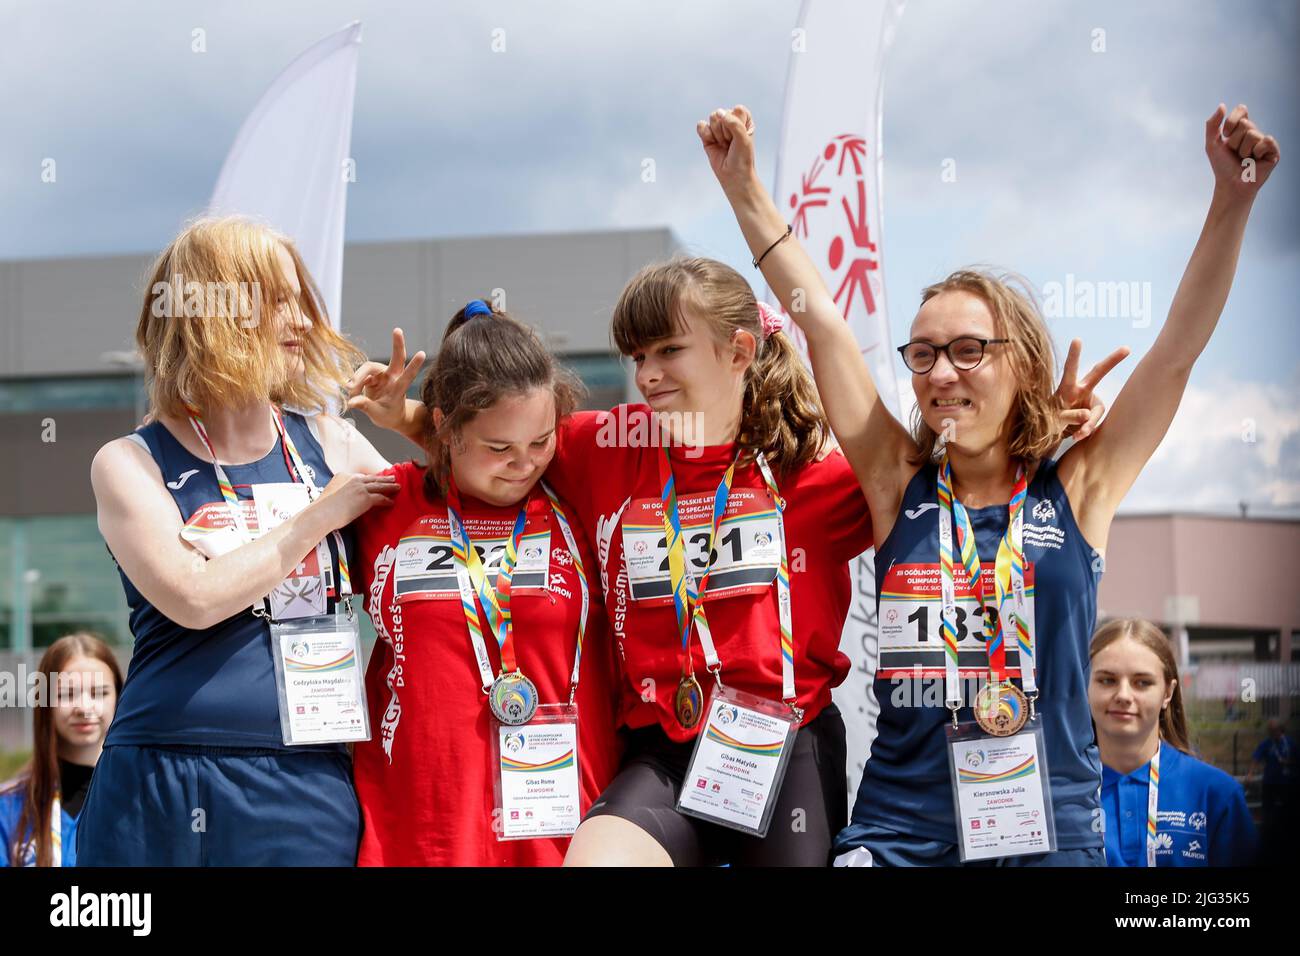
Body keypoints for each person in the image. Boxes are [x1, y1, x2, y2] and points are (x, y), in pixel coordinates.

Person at [691, 100, 1279, 867]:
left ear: (1022, 364)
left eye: (970, 350)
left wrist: (1233, 199)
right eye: (924, 354)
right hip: (900, 834)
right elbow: (827, 324)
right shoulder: (894, 480)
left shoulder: (1080, 486)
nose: (942, 373)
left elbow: (1173, 354)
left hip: (1050, 832)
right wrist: (744, 190)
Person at [77, 217, 403, 866]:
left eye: (301, 301)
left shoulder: (329, 442)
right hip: (160, 775)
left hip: (306, 777)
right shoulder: (129, 461)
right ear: (215, 315)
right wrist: (318, 515)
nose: (303, 323)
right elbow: (194, 599)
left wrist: (414, 421)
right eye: (279, 302)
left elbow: (456, 514)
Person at [347, 301, 622, 866]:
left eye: (541, 441)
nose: (524, 463)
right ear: (444, 426)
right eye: (499, 448)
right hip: (420, 831)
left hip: (564, 826)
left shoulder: (582, 494)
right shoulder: (384, 503)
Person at [1090, 618, 1256, 866]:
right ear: (1085, 685)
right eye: (1107, 680)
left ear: (1167, 693)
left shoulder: (1216, 792)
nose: (1123, 695)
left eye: (1142, 682)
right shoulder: (1061, 793)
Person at [0, 633, 122, 867]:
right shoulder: (8, 808)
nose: (84, 707)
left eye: (99, 693)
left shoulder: (140, 799)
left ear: (120, 696)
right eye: (66, 694)